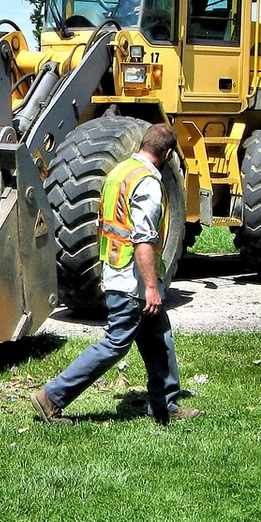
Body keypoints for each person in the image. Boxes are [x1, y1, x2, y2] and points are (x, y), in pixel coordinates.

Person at [31, 123, 200, 425]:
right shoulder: (147, 183)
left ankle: (166, 404)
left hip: (118, 271)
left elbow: (104, 227)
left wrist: (107, 271)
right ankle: (52, 397)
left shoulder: (119, 173)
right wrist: (150, 287)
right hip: (132, 281)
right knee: (115, 344)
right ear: (169, 153)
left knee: (159, 336)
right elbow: (143, 239)